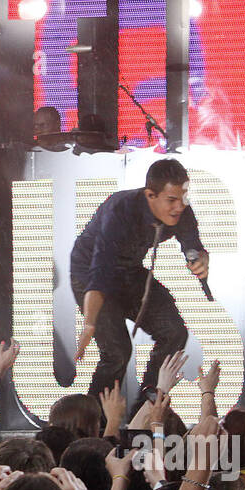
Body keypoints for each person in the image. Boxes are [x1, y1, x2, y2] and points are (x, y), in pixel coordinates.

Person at [71, 158, 208, 401]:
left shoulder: (181, 209)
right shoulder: (120, 210)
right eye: (172, 201)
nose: (179, 207)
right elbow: (99, 273)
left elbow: (193, 244)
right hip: (91, 275)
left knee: (174, 332)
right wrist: (91, 324)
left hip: (129, 272)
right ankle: (94, 425)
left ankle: (146, 411)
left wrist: (198, 259)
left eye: (184, 198)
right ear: (150, 196)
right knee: (117, 352)